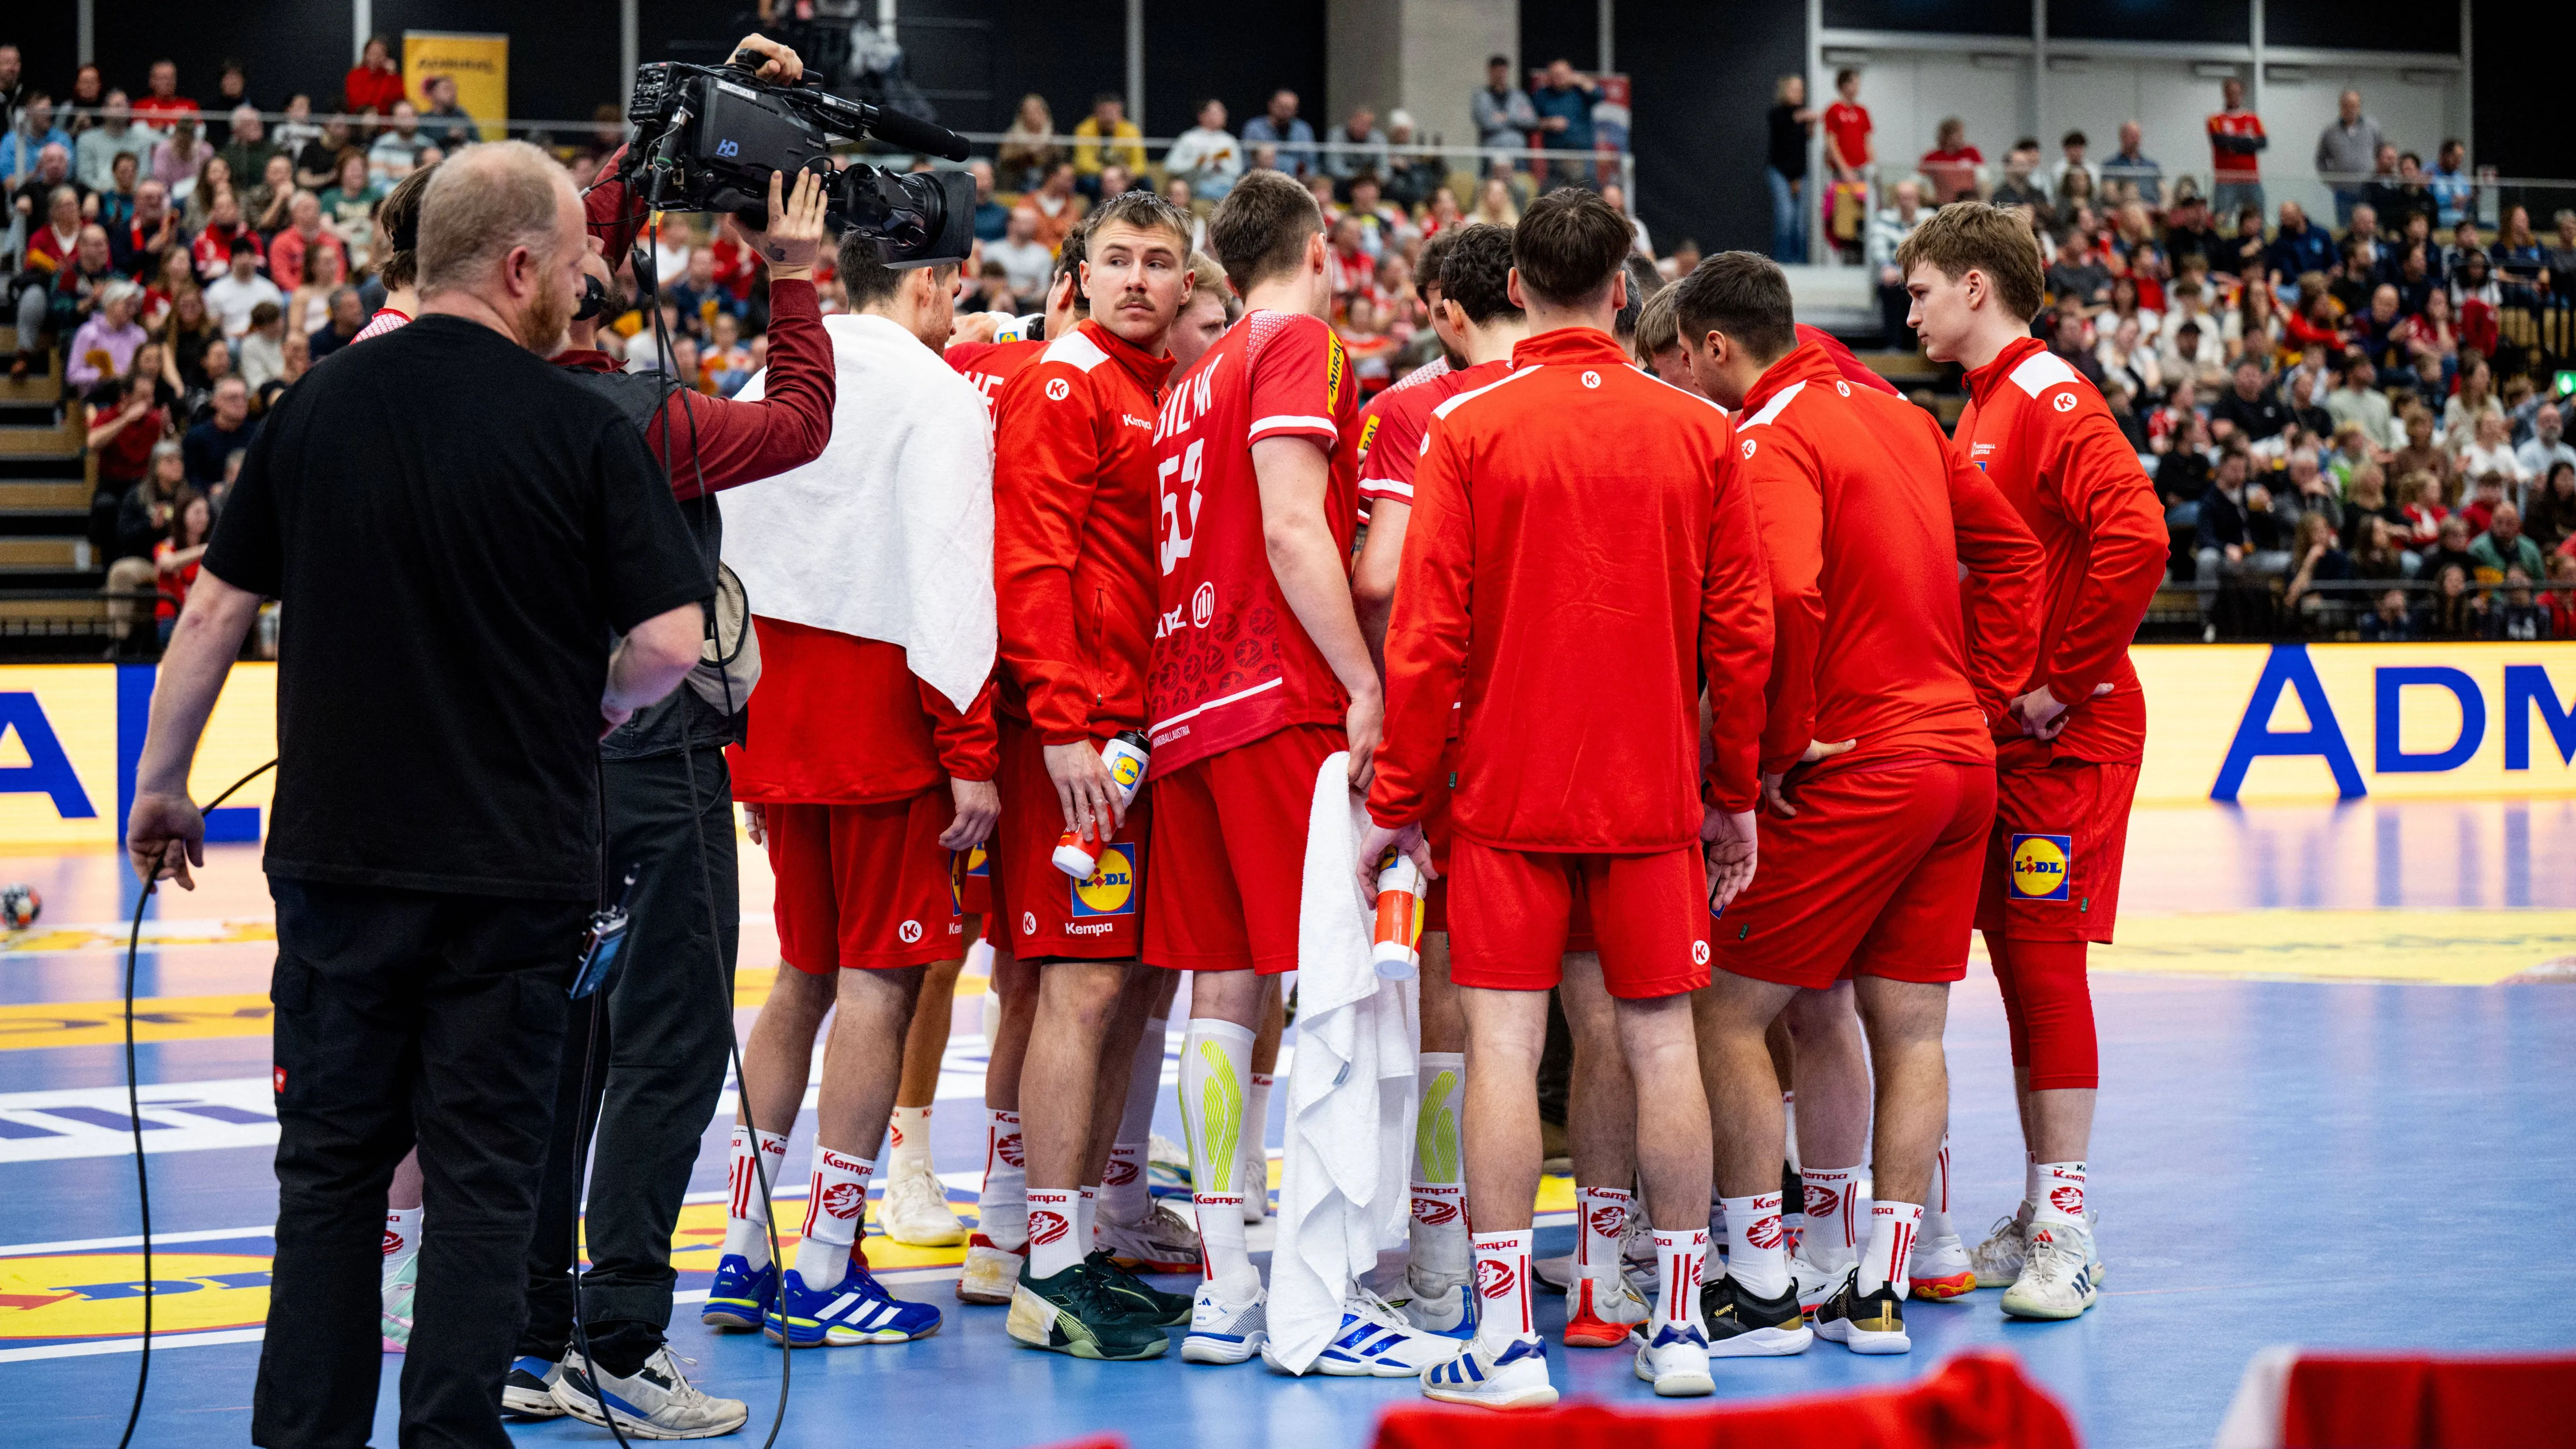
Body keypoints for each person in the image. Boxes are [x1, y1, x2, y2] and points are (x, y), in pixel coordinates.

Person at [124, 137, 709, 1449]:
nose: (589, 286)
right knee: (486, 1179)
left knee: (331, 1176)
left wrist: (162, 789)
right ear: (520, 269)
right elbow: (674, 641)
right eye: (577, 265)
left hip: (340, 864)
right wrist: (598, 707)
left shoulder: (316, 405)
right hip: (514, 871)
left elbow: (213, 610)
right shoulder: (582, 425)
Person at [1358, 188, 1772, 1408]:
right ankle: (1680, 1325)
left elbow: (1426, 636)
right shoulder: (1700, 429)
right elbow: (1743, 632)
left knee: (1502, 1045)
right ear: (1622, 291)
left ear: (1516, 288)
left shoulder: (1466, 427)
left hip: (1506, 793)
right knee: (1660, 1044)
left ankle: (1502, 1341)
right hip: (1650, 794)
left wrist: (1397, 798)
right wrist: (1732, 789)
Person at [1680, 249, 2042, 1358]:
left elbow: (1785, 592)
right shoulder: (1904, 415)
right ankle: (1877, 1289)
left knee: (1723, 1012)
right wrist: (1980, 693)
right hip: (1958, 762)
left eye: (1685, 361)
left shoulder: (1770, 431)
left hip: (1858, 764)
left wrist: (1775, 743)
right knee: (1910, 1029)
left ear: (1714, 347)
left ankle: (1758, 1286)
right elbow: (2016, 556)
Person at [1135, 169, 1421, 1371]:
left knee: (1222, 993)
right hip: (1274, 694)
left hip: (1185, 702)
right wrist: (1365, 681)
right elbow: (1297, 525)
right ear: (1322, 250)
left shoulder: (1186, 379)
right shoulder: (1295, 340)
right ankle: (1328, 1290)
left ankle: (1226, 1284)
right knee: (1339, 988)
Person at [1898, 201, 2167, 1321]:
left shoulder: (2052, 396)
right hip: (2010, 736)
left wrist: (2067, 677)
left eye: (1920, 290)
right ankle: (2036, 1207)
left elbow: (2138, 537)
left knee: (2045, 964)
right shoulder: (1981, 405)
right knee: (2015, 967)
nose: (1908, 313)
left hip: (2066, 738)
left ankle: (2067, 1227)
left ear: (1975, 285)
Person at [986, 191, 1204, 1360]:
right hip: (1082, 740)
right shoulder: (1067, 381)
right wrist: (1063, 727)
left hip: (1142, 733)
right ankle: (1050, 1264)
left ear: (1186, 285)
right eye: (1116, 258)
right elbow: (1030, 561)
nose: (1136, 278)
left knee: (1119, 987)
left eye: (1157, 261)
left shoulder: (1158, 391)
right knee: (1077, 985)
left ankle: (1082, 1243)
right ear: (1079, 274)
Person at [1347, 225, 1524, 1331]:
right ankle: (1627, 1253)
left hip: (1456, 731)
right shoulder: (1627, 398)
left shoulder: (1417, 407)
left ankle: (1438, 1256)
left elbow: (1378, 578)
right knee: (1618, 1007)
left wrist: (1377, 699)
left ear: (1443, 309)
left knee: (1447, 998)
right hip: (1592, 736)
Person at [2315, 90, 2383, 230]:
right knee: (2346, 229)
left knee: (2368, 228)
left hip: (2368, 189)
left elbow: (2381, 153)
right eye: (2346, 106)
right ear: (2341, 107)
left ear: (2360, 107)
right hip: (2343, 191)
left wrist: (2378, 178)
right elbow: (2320, 160)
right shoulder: (2330, 131)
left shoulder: (2373, 127)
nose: (2350, 110)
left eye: (2354, 106)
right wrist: (2331, 181)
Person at [1765, 75, 1815, 264]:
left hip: (1800, 174)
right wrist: (1806, 117)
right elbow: (1787, 122)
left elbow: (1807, 138)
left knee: (1801, 222)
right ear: (1785, 91)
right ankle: (1783, 262)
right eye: (1795, 90)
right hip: (1779, 172)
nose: (1799, 93)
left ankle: (1800, 263)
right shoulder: (1777, 114)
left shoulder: (1803, 117)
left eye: (1801, 90)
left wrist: (1810, 123)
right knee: (1786, 216)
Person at [2207, 76, 2267, 223]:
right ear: (2225, 94)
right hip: (2225, 179)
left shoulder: (2253, 118)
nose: (2234, 96)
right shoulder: (2215, 118)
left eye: (2237, 93)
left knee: (2257, 219)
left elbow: (2262, 143)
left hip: (2251, 178)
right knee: (2221, 221)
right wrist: (2247, 143)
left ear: (2242, 94)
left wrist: (2234, 145)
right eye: (2231, 93)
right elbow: (2220, 141)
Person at [1166, 99, 1243, 200]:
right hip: (1198, 187)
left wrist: (1221, 165)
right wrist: (1196, 163)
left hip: (1228, 186)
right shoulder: (1189, 139)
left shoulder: (1230, 141)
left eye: (1223, 112)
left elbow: (1238, 170)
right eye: (1217, 112)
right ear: (1202, 116)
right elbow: (1170, 166)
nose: (1223, 115)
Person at [1073, 93, 1146, 195]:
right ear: (1096, 113)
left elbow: (1140, 164)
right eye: (1104, 112)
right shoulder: (1085, 130)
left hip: (1123, 174)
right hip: (1098, 176)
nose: (1109, 117)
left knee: (1146, 183)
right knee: (1089, 183)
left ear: (1120, 113)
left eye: (1113, 112)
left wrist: (1124, 172)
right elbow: (1083, 163)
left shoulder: (1131, 131)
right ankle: (1098, 205)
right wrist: (1106, 172)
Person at [1473, 54, 1540, 165]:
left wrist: (1505, 117)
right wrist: (1516, 119)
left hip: (1517, 152)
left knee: (1520, 176)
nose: (1500, 75)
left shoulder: (1519, 97)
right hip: (1492, 153)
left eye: (1502, 71)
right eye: (1496, 71)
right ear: (1490, 72)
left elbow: (1531, 121)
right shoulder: (1481, 97)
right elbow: (1486, 122)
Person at [1242, 90, 1317, 178]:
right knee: (1266, 152)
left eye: (1290, 108)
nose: (1285, 112)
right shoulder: (1254, 128)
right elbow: (1247, 162)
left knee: (1323, 184)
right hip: (1265, 179)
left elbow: (1311, 162)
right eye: (1282, 107)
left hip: (1298, 180)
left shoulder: (1303, 129)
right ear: (1271, 105)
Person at [1821, 69, 1873, 184]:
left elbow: (1868, 141)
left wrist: (1871, 164)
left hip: (1862, 167)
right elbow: (1831, 143)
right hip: (1842, 169)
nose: (1857, 88)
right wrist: (1844, 169)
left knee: (1865, 195)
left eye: (1858, 84)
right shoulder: (1833, 110)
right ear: (1843, 85)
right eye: (1853, 84)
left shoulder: (1862, 111)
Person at [1919, 118, 1984, 205]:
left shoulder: (1971, 152)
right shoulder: (1931, 157)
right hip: (1942, 203)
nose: (1962, 138)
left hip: (1968, 201)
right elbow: (1918, 181)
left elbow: (1983, 178)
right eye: (1959, 135)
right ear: (1948, 136)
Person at [2099, 122, 2161, 206]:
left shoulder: (2151, 166)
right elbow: (2110, 193)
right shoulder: (2111, 166)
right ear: (2122, 137)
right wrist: (2130, 203)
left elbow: (2163, 189)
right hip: (2125, 208)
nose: (2136, 140)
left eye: (2138, 136)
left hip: (2153, 209)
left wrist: (2164, 205)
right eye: (2132, 136)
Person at [419, 75, 479, 152]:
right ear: (433, 92)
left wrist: (464, 140)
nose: (453, 94)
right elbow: (420, 146)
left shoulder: (462, 116)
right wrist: (447, 137)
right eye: (447, 89)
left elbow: (477, 143)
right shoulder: (424, 120)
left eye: (454, 90)